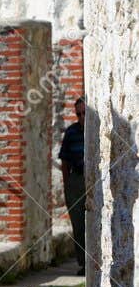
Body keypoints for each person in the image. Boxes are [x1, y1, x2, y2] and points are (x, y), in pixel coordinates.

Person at [59, 96, 86, 275]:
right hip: (76, 180)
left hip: (95, 179)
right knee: (78, 224)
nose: (82, 117)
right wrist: (67, 183)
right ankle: (84, 263)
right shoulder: (72, 132)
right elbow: (65, 159)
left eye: (85, 113)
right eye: (79, 114)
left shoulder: (98, 131)